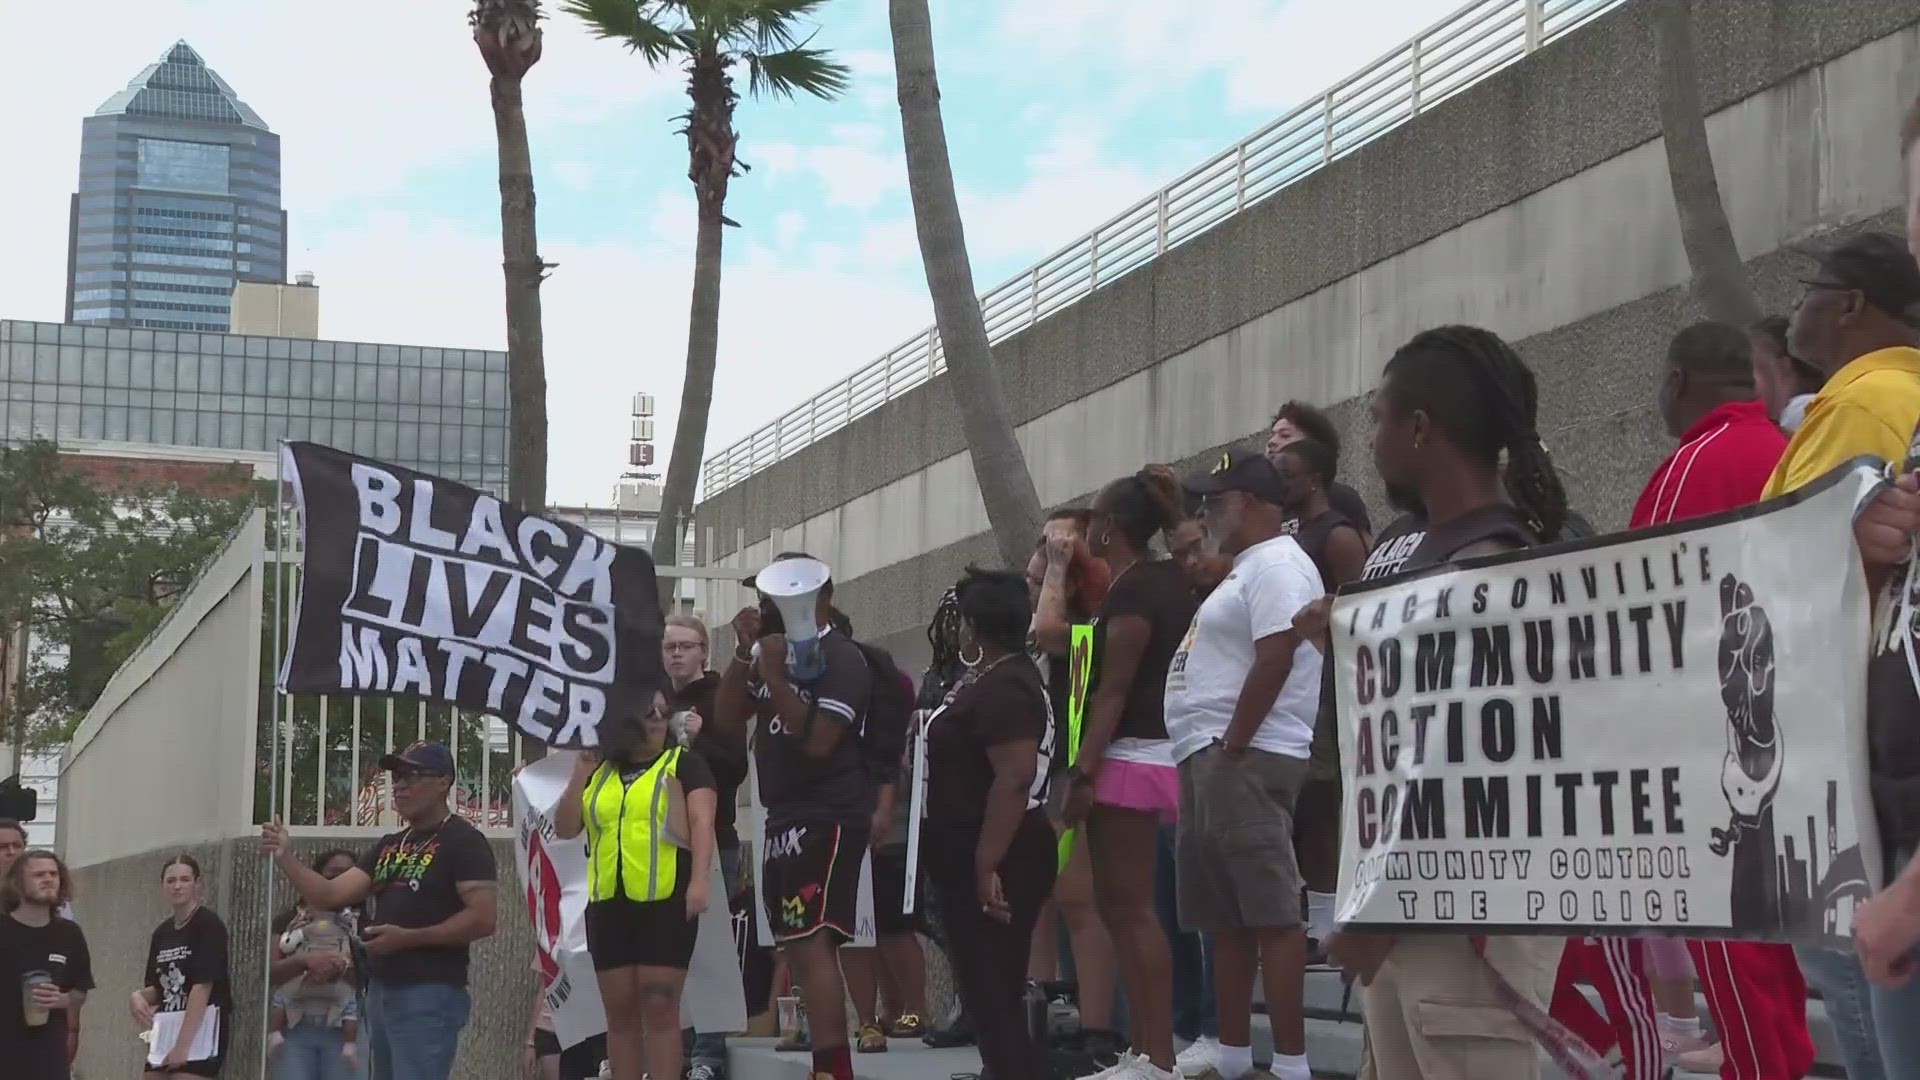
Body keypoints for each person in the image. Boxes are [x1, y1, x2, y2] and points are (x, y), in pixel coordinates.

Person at [1295, 324, 1571, 1078]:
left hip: (1463, 932)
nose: (1373, 438)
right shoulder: (1429, 557)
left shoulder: (1495, 568)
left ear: (1420, 428)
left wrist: (1373, 914)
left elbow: (1469, 767)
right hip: (1404, 915)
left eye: (1381, 417)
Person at [1546, 321, 1817, 1080]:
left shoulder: (1688, 469)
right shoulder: (1797, 450)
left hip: (1720, 746)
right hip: (1809, 729)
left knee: (1735, 948)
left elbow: (1648, 630)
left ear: (1678, 384)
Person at [1748, 232, 1920, 1076]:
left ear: (1850, 305)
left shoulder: (1862, 401)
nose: (1798, 313)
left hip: (1852, 788)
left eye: (1811, 290)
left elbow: (1774, 567)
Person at [1164, 451, 1325, 1080]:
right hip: (1211, 753)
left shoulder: (1280, 563)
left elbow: (1277, 654)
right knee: (1223, 917)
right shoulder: (1243, 569)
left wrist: (1233, 742)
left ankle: (1290, 1065)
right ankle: (1233, 1058)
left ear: (1253, 503)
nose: (1206, 513)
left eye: (1216, 500)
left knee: (1270, 912)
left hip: (1249, 755)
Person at [716, 552, 876, 1080]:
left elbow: (820, 744)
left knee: (813, 940)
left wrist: (778, 680)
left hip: (827, 812)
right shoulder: (769, 654)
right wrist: (745, 655)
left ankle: (833, 1067)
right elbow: (725, 717)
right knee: (797, 942)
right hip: (782, 816)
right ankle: (825, 1062)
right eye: (766, 601)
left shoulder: (844, 658)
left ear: (820, 599)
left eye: (781, 600)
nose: (769, 610)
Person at [1061, 471, 1196, 1080]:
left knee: (1131, 910)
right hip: (1158, 753)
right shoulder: (1169, 579)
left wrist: (1081, 770)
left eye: (1094, 518)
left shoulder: (1136, 589)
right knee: (1128, 911)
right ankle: (1146, 1050)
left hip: (1132, 758)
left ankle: (1155, 1054)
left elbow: (1111, 690)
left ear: (1109, 527)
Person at [261, 741, 499, 1080]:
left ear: (444, 782)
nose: (399, 785)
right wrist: (285, 855)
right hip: (381, 991)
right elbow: (329, 894)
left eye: (412, 776)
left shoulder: (463, 841)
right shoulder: (390, 844)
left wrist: (410, 939)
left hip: (428, 992)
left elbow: (483, 918)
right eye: (396, 776)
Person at [924, 566, 1058, 1080]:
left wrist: (986, 862)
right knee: (984, 988)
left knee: (993, 986)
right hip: (971, 843)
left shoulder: (1007, 686)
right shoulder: (994, 678)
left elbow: (1014, 777)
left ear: (973, 627)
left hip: (1002, 846)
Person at [554, 693, 718, 1080]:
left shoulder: (684, 763)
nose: (658, 718)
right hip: (608, 903)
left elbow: (702, 823)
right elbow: (565, 827)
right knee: (620, 1014)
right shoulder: (602, 770)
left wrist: (699, 881)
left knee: (660, 1006)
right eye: (648, 711)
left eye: (663, 712)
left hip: (666, 900)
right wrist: (581, 770)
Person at [1026, 512, 1123, 1068]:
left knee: (1080, 900)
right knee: (1048, 895)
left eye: (1059, 540)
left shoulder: (1096, 623)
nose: (1047, 553)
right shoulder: (1048, 611)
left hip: (1085, 769)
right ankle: (1049, 1003)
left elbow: (1052, 635)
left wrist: (1060, 564)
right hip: (1054, 770)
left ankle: (1098, 1029)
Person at [1269, 439, 1367, 961]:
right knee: (1299, 808)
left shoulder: (1337, 536)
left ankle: (1326, 923)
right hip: (1294, 688)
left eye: (1288, 475)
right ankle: (1313, 914)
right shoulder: (1287, 536)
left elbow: (1363, 612)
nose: (1279, 485)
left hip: (1330, 687)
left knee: (1320, 805)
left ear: (1314, 480)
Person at [666, 615, 751, 1080]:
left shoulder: (722, 697)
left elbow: (736, 766)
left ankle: (708, 1056)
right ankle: (672, 1052)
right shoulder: (654, 703)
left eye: (685, 646)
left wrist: (701, 741)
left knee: (710, 950)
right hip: (660, 844)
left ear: (704, 652)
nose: (676, 654)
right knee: (668, 952)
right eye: (670, 647)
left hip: (714, 838)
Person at [269, 848, 365, 1080]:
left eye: (347, 875)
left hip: (344, 1024)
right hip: (295, 1023)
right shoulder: (289, 922)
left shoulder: (363, 921)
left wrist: (335, 966)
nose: (339, 882)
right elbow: (272, 973)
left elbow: (368, 976)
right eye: (332, 875)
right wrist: (304, 961)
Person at [133, 855, 232, 1078]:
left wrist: (182, 1046)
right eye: (171, 880)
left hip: (200, 1026)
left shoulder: (208, 925)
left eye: (185, 879)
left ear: (197, 883)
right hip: (168, 1023)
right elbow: (159, 987)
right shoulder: (162, 933)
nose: (177, 886)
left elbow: (202, 987)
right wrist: (138, 996)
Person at [0, 849, 91, 1080]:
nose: (49, 879)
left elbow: (80, 989)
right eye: (39, 875)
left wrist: (65, 999)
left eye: (54, 874)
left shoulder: (69, 933)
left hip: (48, 1054)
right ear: (17, 884)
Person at [1265, 401, 1373, 541]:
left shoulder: (1339, 497)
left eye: (1285, 435)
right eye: (1272, 435)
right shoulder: (1263, 501)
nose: (1272, 442)